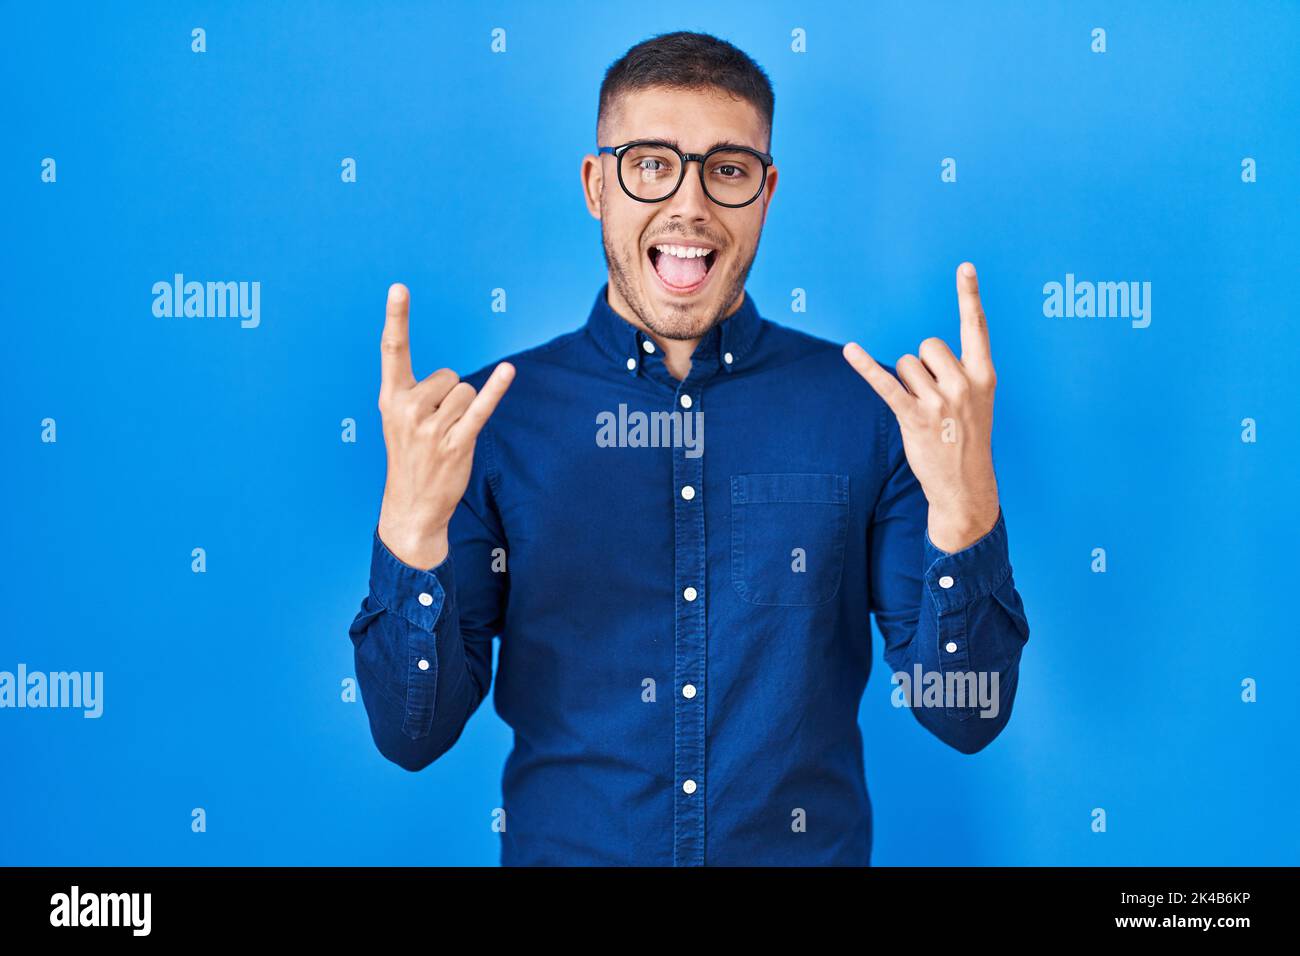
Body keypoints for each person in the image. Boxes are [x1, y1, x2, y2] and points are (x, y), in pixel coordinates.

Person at [348, 31, 1030, 866]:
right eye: (650, 164)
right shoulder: (486, 424)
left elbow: (969, 716)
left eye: (728, 169)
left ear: (767, 191)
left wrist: (967, 507)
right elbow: (411, 734)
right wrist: (409, 533)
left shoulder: (875, 414)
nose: (689, 206)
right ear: (598, 185)